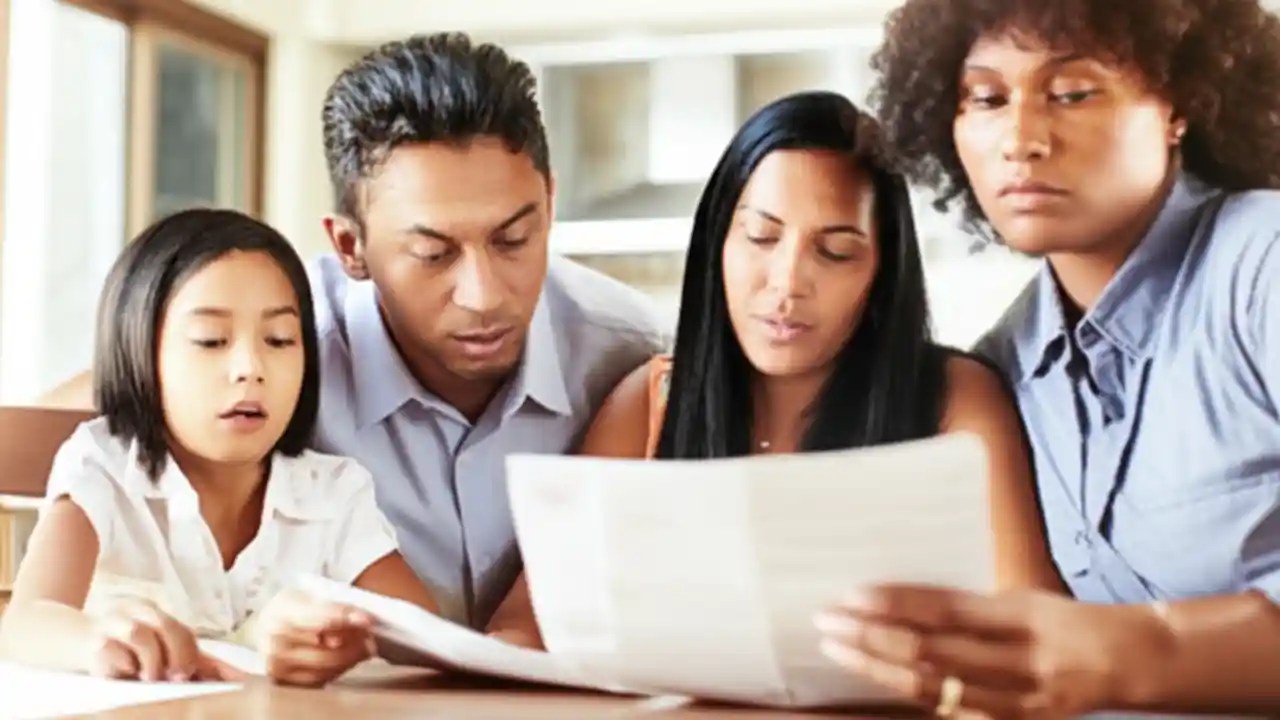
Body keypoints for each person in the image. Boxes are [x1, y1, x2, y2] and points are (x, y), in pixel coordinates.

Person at [38, 33, 668, 640]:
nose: (483, 294)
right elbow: (119, 389)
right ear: (350, 245)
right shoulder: (277, 338)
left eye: (513, 240)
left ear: (550, 206)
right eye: (431, 252)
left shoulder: (632, 354)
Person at [815, 0, 1280, 716]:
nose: (1021, 139)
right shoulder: (999, 370)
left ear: (1179, 104)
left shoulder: (1263, 266)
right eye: (987, 99)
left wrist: (1137, 650)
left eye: (1071, 93)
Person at [578, 91, 1060, 593]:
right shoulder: (651, 403)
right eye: (761, 237)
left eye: (835, 252)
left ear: (881, 275)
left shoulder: (951, 399)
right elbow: (532, 617)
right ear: (716, 242)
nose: (787, 282)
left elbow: (1026, 615)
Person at [0, 209, 451, 687]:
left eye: (279, 340)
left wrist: (345, 644)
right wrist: (97, 638)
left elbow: (427, 637)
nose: (250, 368)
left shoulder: (333, 491)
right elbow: (27, 622)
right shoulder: (105, 465)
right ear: (141, 354)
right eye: (211, 340)